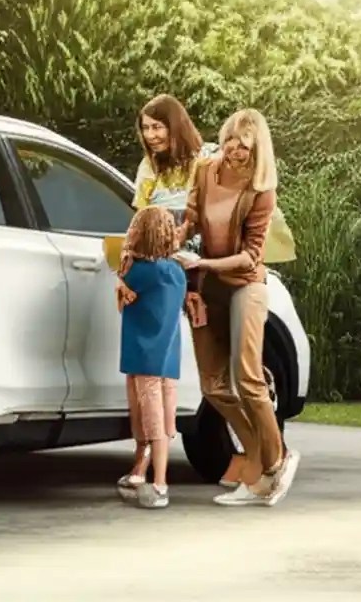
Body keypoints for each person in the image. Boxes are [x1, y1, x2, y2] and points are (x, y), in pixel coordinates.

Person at [119, 94, 258, 485]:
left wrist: (184, 242)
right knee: (164, 371)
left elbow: (209, 212)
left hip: (202, 263)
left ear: (175, 126)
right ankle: (147, 455)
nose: (151, 135)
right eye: (146, 128)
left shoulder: (205, 161)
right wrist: (134, 259)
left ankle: (254, 448)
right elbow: (140, 221)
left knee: (212, 369)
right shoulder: (149, 167)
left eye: (158, 127)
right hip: (168, 262)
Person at [179, 109, 301, 506]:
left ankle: (275, 461)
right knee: (212, 385)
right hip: (209, 285)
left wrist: (204, 264)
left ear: (256, 148)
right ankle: (265, 461)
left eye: (243, 145)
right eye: (229, 141)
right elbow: (192, 219)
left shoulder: (261, 189)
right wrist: (171, 238)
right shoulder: (205, 171)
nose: (234, 150)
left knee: (247, 377)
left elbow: (251, 257)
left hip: (246, 285)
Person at [114, 207, 187, 510]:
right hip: (167, 356)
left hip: (142, 354)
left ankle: (157, 482)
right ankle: (148, 475)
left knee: (146, 418)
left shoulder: (139, 271)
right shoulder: (176, 272)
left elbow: (122, 296)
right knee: (164, 416)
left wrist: (121, 275)